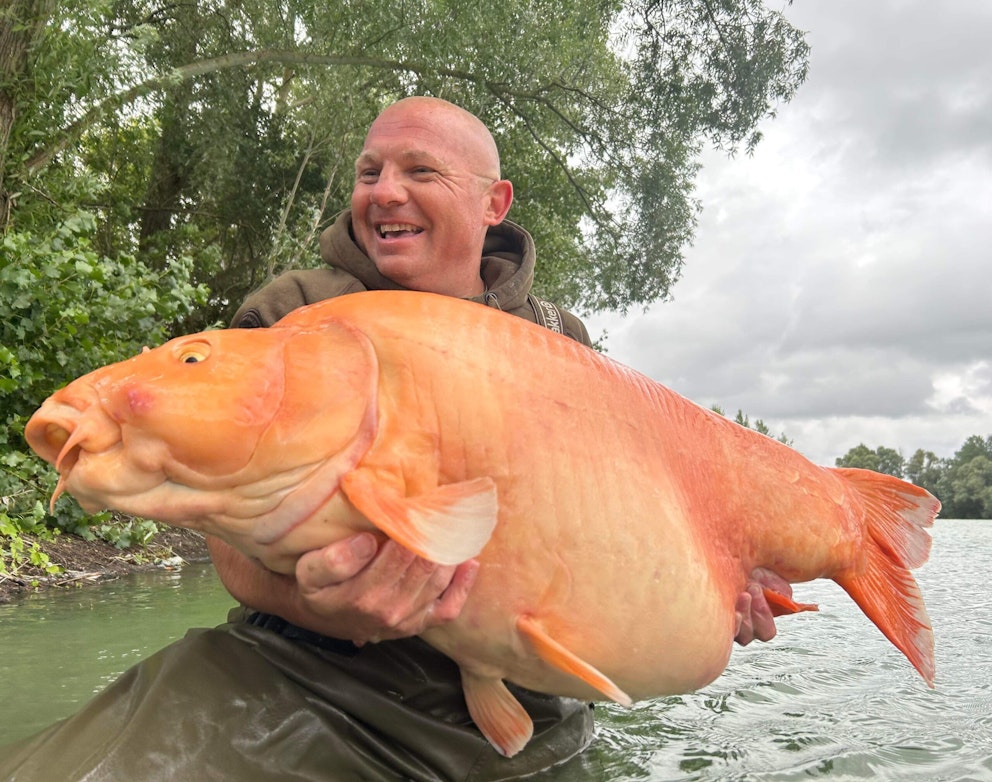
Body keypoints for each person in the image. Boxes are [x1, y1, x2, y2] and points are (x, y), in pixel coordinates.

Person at [0, 96, 787, 781]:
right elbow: (231, 543)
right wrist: (323, 604)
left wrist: (721, 576)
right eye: (369, 171)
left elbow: (627, 530)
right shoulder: (295, 311)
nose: (385, 193)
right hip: (305, 674)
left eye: (420, 171)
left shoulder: (560, 340)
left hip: (528, 709)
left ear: (494, 203)